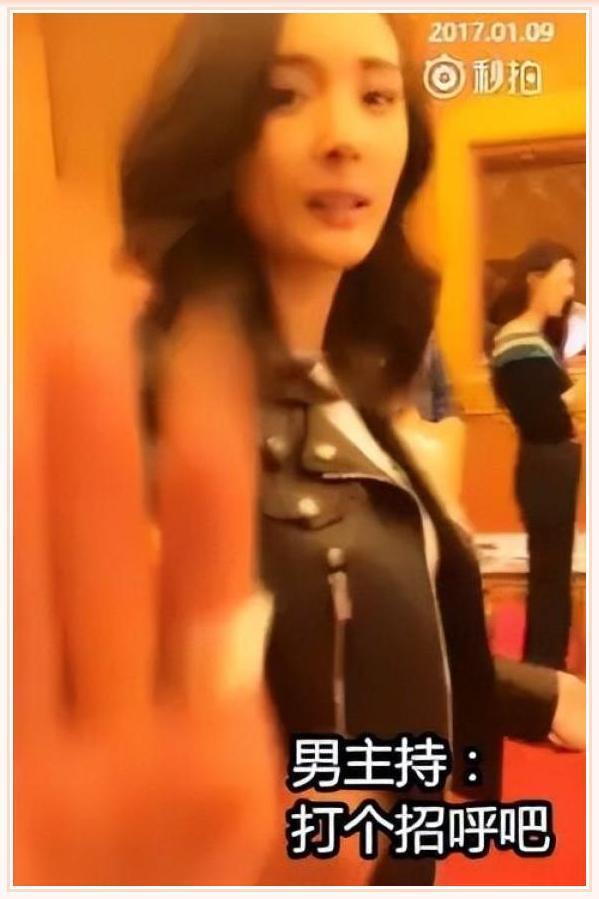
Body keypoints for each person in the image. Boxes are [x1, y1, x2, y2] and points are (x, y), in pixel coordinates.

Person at [14, 14, 584, 888]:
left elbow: (327, 632)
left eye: (376, 97)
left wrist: (529, 694)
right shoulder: (163, 406)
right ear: (214, 130)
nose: (343, 136)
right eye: (285, 96)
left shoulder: (345, 378)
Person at [489, 240, 584, 671]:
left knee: (553, 574)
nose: (569, 291)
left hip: (551, 465)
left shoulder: (535, 339)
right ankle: (546, 668)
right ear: (535, 279)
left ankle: (547, 665)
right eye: (564, 280)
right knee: (549, 576)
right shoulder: (518, 339)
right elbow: (541, 415)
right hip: (545, 466)